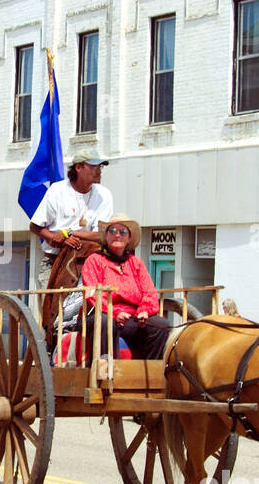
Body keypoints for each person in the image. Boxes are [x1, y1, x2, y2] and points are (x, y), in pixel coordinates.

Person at [79, 213, 171, 360]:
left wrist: (144, 312)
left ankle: (152, 370)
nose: (117, 235)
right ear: (106, 236)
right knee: (104, 322)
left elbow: (150, 292)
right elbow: (92, 294)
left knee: (161, 325)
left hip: (132, 318)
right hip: (101, 315)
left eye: (122, 232)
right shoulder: (94, 260)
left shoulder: (136, 263)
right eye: (113, 231)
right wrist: (114, 313)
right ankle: (102, 368)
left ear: (129, 238)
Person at [29, 150, 114, 289]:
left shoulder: (104, 195)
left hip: (88, 261)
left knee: (91, 306)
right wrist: (54, 239)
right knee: (53, 307)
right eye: (93, 167)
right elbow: (35, 226)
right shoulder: (57, 190)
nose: (99, 171)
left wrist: (68, 233)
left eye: (101, 166)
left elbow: (101, 235)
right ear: (78, 168)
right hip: (54, 261)